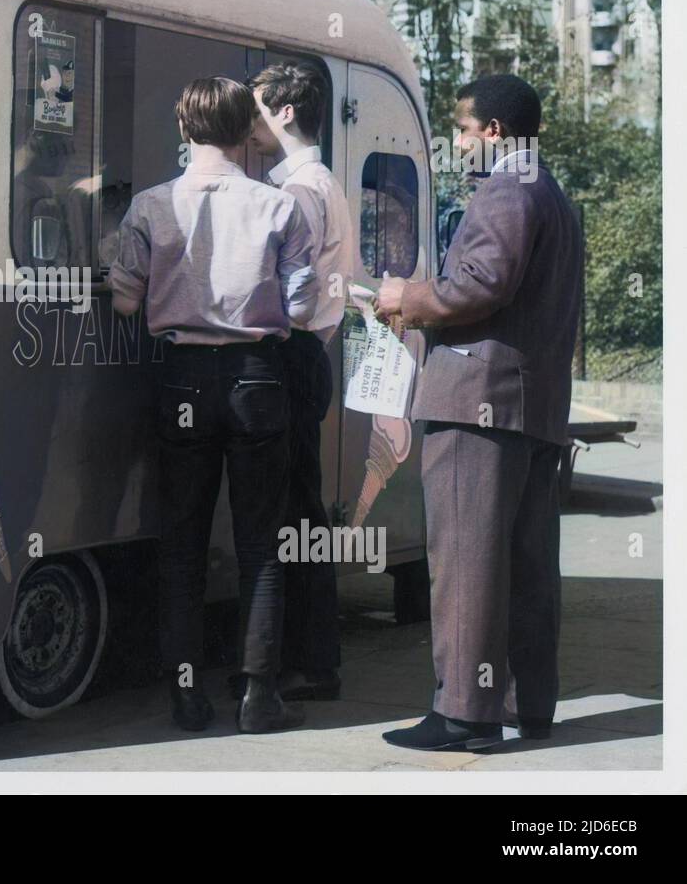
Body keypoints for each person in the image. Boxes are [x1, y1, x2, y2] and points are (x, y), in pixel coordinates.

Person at [374, 74, 582, 751]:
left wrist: (406, 295)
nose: (458, 143)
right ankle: (529, 703)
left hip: (477, 403)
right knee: (524, 565)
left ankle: (464, 713)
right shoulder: (552, 193)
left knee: (465, 561)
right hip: (533, 406)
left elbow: (480, 285)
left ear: (493, 131)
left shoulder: (506, 189)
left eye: (462, 130)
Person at [110, 75, 317, 734]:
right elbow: (306, 307)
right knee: (261, 545)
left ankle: (186, 695)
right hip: (258, 376)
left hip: (183, 379)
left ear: (182, 128)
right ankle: (259, 696)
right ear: (243, 131)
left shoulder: (149, 206)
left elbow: (124, 301)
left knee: (181, 545)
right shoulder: (280, 207)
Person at [247, 62, 355, 703]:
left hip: (291, 351)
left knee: (293, 510)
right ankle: (308, 657)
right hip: (309, 351)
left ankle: (310, 660)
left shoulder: (297, 190)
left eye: (258, 109)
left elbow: (299, 286)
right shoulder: (319, 182)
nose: (250, 124)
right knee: (299, 506)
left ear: (285, 113)